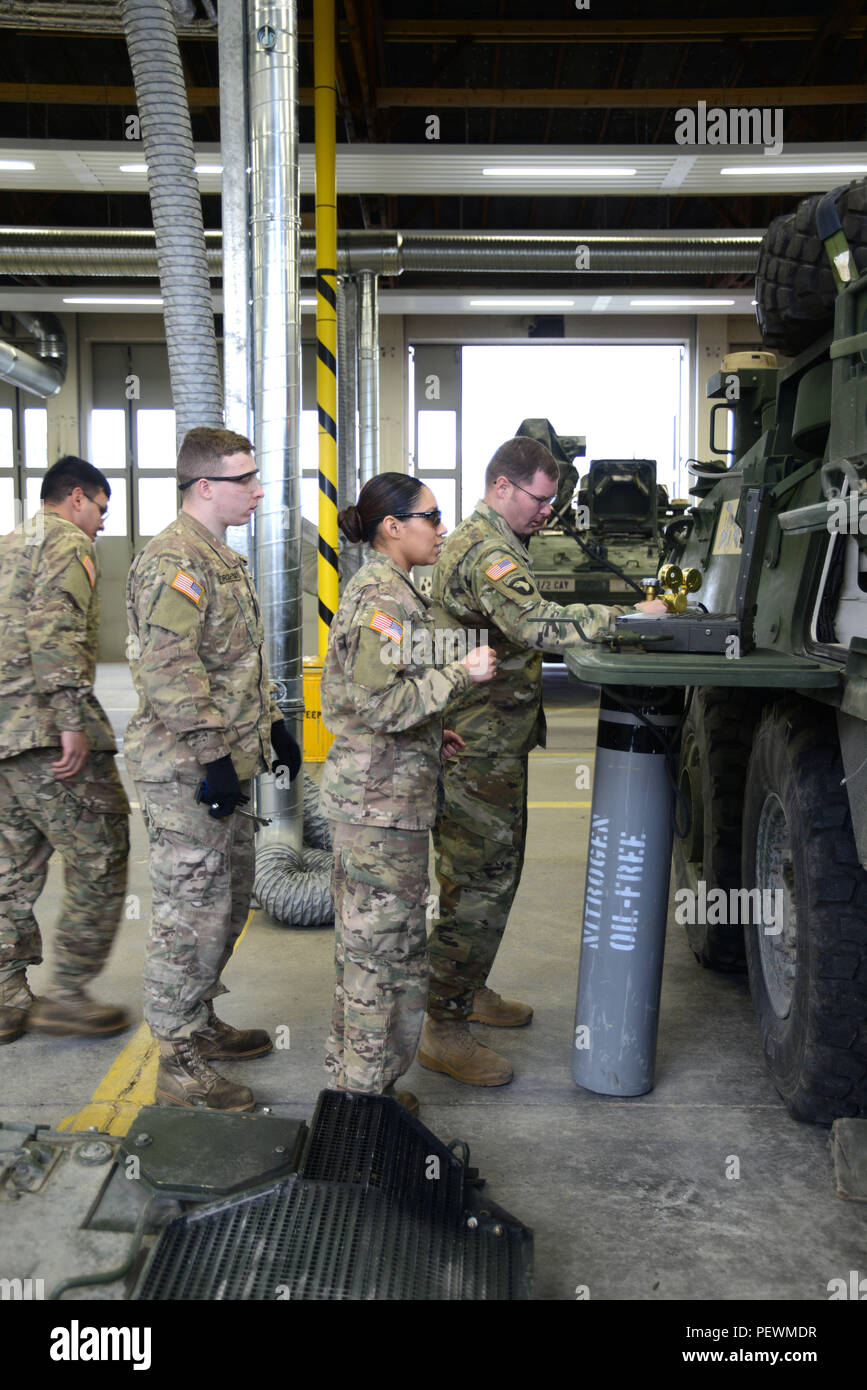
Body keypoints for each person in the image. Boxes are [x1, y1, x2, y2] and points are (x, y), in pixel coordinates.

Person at [420, 436, 667, 1085]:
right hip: (477, 747)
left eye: (553, 501)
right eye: (540, 498)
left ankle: (467, 990)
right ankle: (442, 1027)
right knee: (475, 885)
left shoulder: (494, 541)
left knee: (492, 876)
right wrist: (628, 618)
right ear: (502, 486)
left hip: (495, 743)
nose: (547, 512)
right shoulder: (485, 549)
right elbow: (535, 625)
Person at [125, 426, 301, 1111]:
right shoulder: (173, 560)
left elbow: (238, 664)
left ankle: (198, 1020)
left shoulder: (222, 560)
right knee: (188, 914)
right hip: (187, 772)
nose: (258, 491)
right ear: (206, 486)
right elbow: (169, 671)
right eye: (246, 480)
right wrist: (213, 756)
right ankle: (176, 1061)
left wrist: (276, 723)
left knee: (226, 906)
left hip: (228, 760)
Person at [320, 472, 496, 1115]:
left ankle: (357, 1085)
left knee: (373, 949)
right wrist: (459, 673)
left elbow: (379, 701)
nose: (442, 526)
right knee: (379, 956)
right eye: (432, 515)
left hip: (386, 796)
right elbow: (379, 702)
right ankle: (363, 1103)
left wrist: (432, 734)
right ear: (393, 526)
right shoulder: (382, 600)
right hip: (378, 809)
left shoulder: (392, 591)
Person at [0, 456, 130, 1045]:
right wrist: (70, 718)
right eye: (102, 509)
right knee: (101, 851)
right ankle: (69, 994)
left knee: (12, 864)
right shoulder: (65, 543)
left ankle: (5, 994)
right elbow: (56, 627)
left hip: (5, 736)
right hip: (45, 728)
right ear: (77, 498)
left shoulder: (8, 546)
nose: (103, 522)